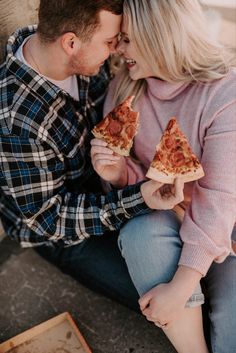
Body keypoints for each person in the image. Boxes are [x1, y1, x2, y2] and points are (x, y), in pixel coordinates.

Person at [0, 0, 185, 326]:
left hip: (112, 184)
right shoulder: (17, 122)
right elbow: (48, 219)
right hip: (66, 230)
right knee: (167, 299)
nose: (117, 50)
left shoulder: (79, 57)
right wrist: (138, 198)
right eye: (110, 42)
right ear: (70, 43)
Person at [91, 0, 236, 352]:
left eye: (126, 39)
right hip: (166, 220)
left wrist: (181, 286)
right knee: (140, 230)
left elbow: (220, 196)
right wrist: (117, 173)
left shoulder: (224, 91)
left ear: (158, 36)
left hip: (226, 233)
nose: (118, 50)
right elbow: (144, 180)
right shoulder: (125, 89)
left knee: (229, 338)